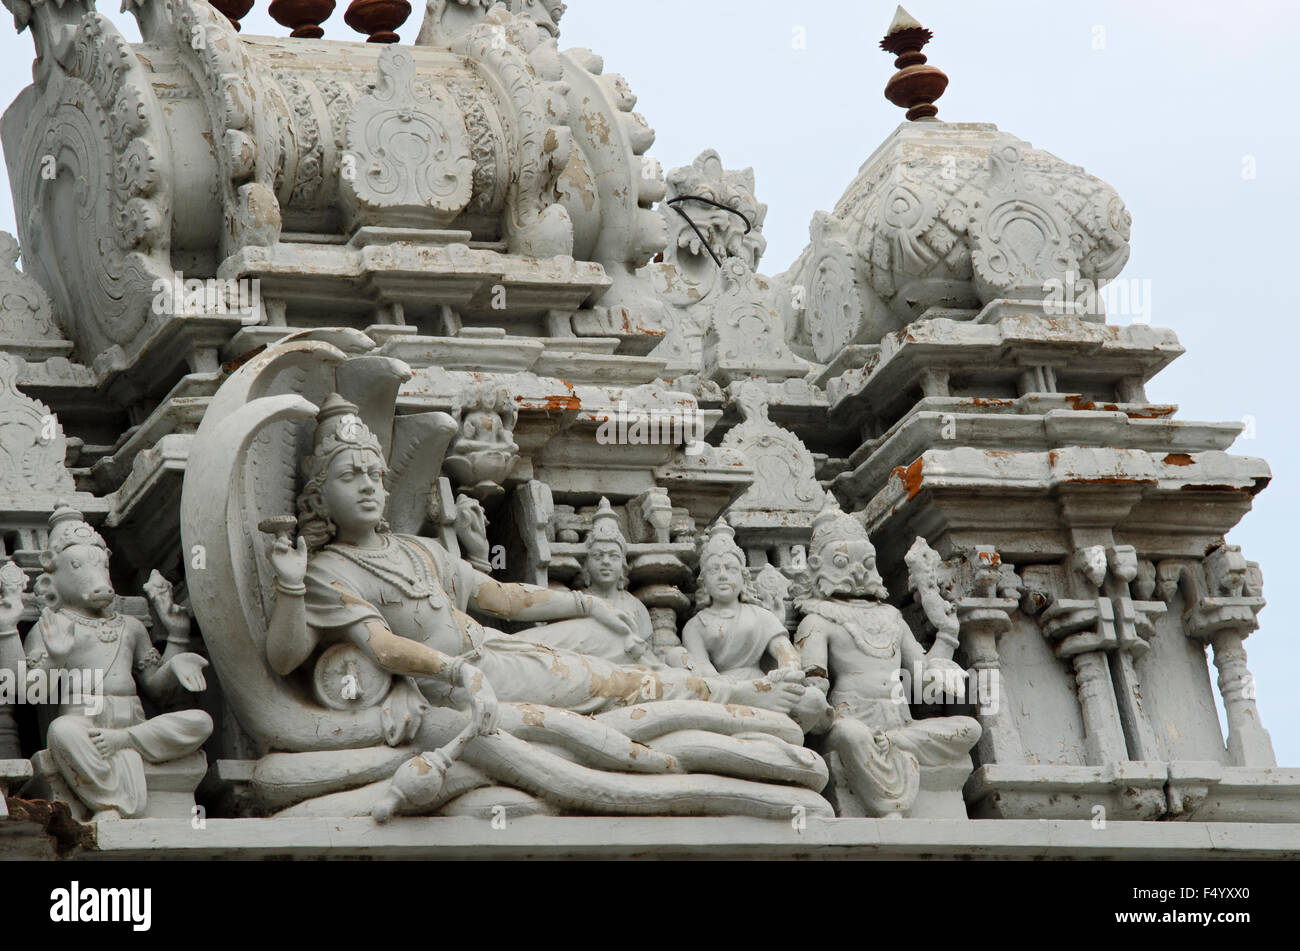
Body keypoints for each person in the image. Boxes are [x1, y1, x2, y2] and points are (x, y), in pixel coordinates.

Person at [263, 396, 810, 733]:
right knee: (610, 681)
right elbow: (370, 649)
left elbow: (503, 599)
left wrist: (585, 601)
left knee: (615, 636)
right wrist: (456, 670)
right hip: (464, 673)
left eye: (374, 476)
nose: (367, 488)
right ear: (318, 494)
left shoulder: (416, 549)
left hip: (493, 645)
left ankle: (684, 684)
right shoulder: (326, 570)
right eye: (349, 477)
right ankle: (729, 699)